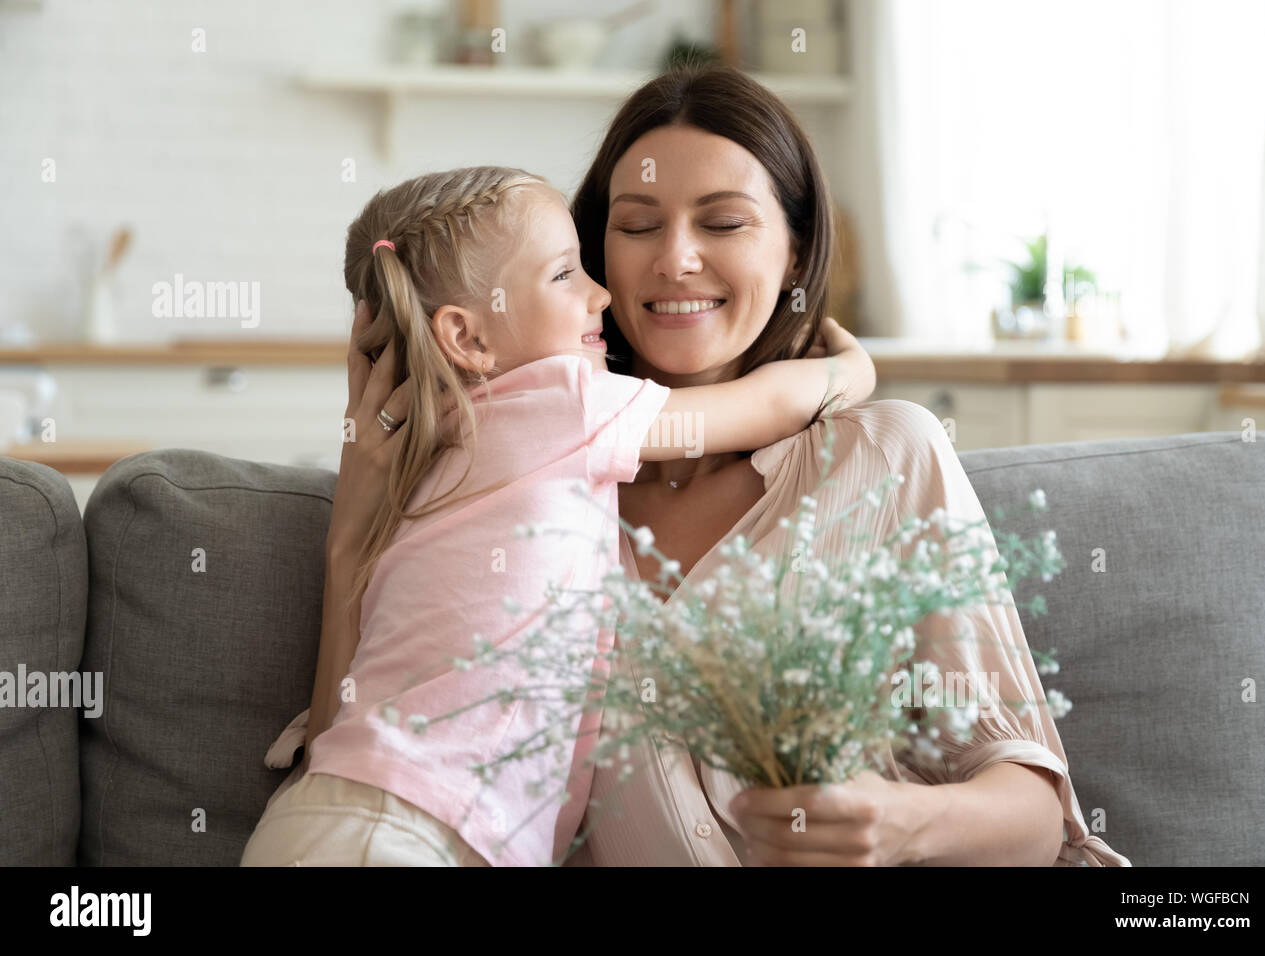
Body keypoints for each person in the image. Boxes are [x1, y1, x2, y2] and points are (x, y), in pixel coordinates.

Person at [297, 64, 1131, 867]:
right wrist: (352, 533)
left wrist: (899, 824)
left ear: (799, 255)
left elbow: (1032, 821)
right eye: (636, 224)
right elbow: (346, 744)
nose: (675, 260)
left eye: (724, 222)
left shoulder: (885, 455)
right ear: (593, 257)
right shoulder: (503, 477)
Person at [239, 165, 876, 867]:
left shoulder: (429, 452)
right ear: (468, 338)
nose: (600, 291)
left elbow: (337, 730)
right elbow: (768, 407)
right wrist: (852, 372)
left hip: (347, 818)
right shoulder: (561, 402)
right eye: (565, 274)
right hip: (398, 837)